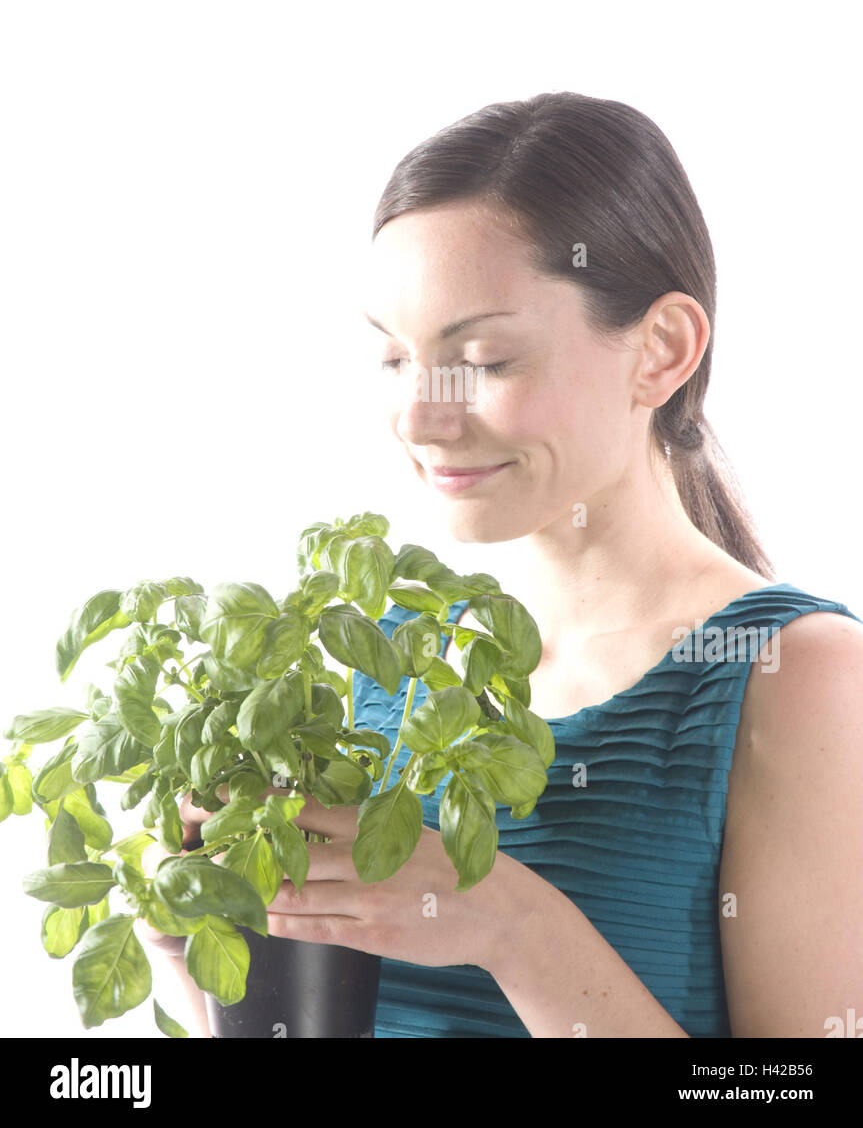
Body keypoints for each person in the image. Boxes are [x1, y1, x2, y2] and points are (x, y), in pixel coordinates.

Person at [142, 91, 863, 1038]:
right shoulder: (381, 661)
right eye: (395, 358)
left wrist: (514, 928)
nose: (418, 417)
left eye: (480, 360)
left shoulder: (793, 674)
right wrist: (192, 948)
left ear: (661, 350)